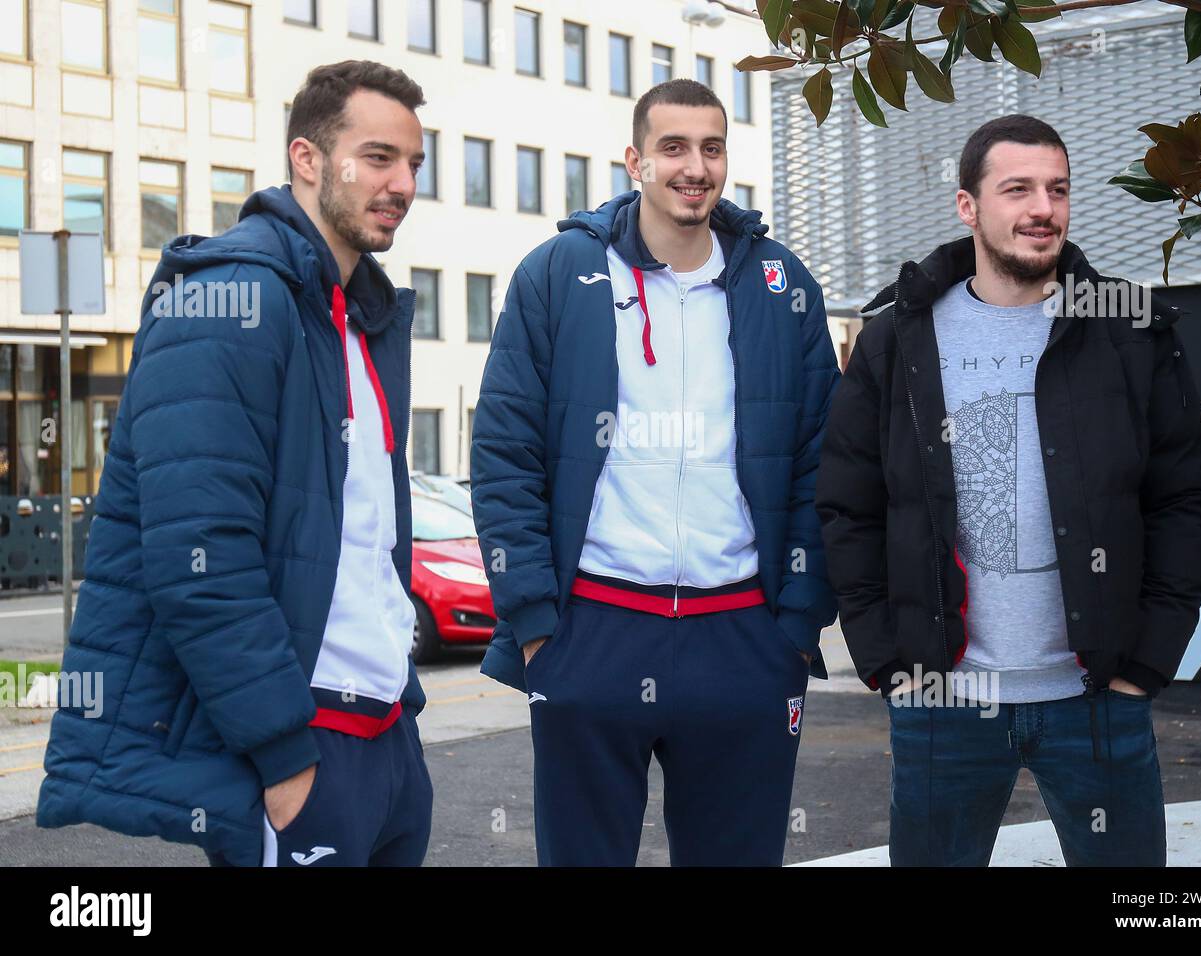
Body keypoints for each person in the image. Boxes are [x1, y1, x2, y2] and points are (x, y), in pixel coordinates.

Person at [37, 60, 433, 867]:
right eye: (378, 157)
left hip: (388, 733)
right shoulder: (232, 299)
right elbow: (200, 558)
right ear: (308, 159)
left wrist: (405, 718)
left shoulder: (364, 318)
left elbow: (361, 538)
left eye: (413, 164)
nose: (400, 183)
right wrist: (284, 760)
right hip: (303, 749)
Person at [817, 114, 1201, 866]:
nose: (1044, 208)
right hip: (943, 701)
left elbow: (1183, 499)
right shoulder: (898, 337)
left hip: (1098, 696)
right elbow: (849, 506)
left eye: (1058, 189)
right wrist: (885, 662)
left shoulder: (1129, 328)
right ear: (968, 206)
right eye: (1018, 189)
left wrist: (1146, 664)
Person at [471, 79, 840, 866]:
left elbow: (825, 464)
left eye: (712, 147)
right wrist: (536, 625)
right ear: (635, 160)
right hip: (591, 635)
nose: (694, 166)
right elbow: (505, 454)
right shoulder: (557, 275)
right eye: (673, 147)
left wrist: (797, 626)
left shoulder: (783, 286)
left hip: (744, 638)